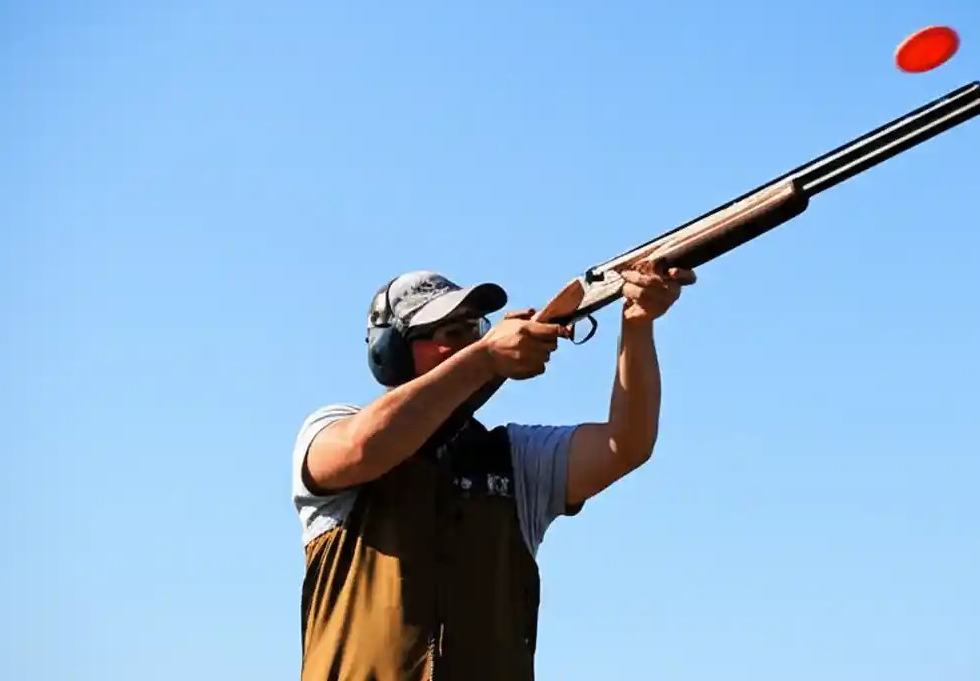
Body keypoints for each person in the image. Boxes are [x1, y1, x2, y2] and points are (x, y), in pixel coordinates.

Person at [291, 265, 695, 681]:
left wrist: (637, 324)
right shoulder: (329, 429)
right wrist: (484, 360)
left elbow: (626, 444)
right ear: (392, 352)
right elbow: (363, 448)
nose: (468, 343)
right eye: (450, 335)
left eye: (473, 330)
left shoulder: (512, 456)